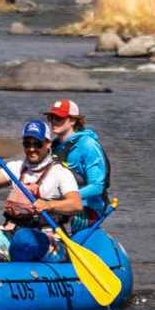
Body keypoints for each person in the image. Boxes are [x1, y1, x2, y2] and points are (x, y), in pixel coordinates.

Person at [0, 120, 81, 262]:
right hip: (16, 237)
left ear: (48, 143)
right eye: (27, 144)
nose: (32, 149)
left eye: (37, 144)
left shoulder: (60, 172)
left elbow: (76, 204)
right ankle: (1, 275)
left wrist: (49, 205)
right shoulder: (16, 168)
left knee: (25, 238)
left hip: (50, 242)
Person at [45, 99, 110, 232]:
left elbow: (97, 186)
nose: (53, 122)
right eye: (51, 117)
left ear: (73, 120)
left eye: (59, 117)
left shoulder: (88, 145)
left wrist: (66, 200)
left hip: (88, 209)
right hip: (60, 204)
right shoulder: (55, 146)